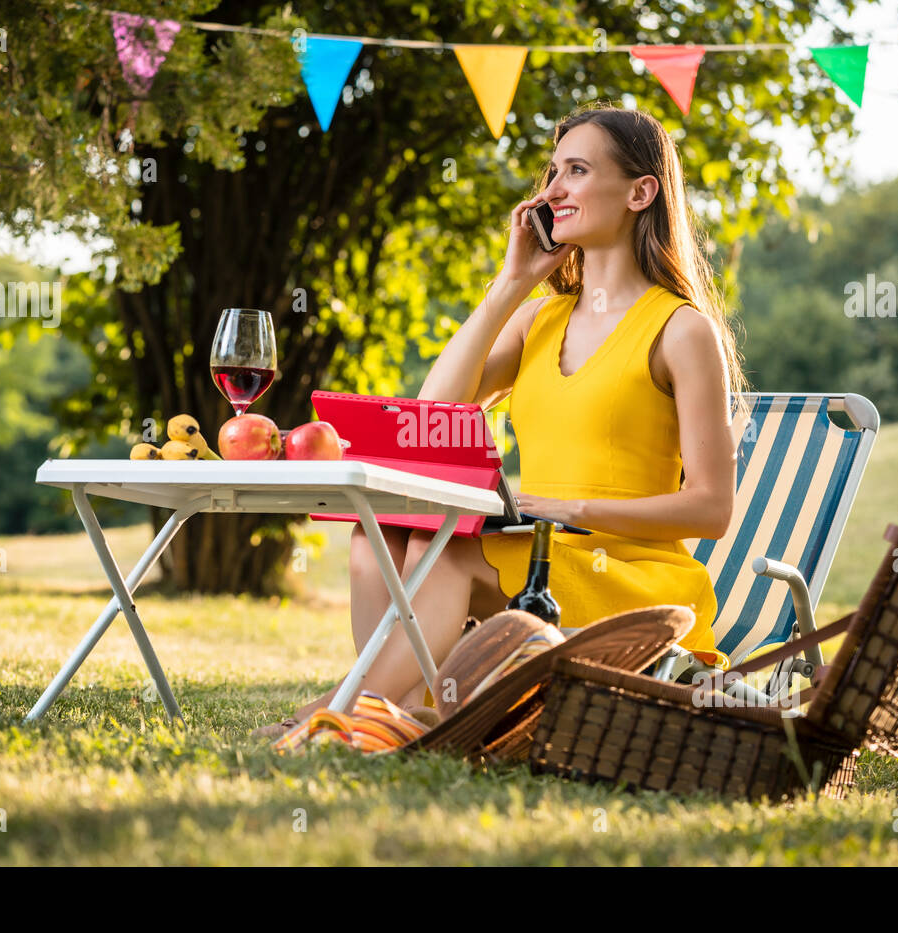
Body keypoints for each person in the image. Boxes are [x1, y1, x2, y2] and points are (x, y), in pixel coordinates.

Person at [252, 103, 746, 739]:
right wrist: (511, 283)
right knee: (378, 540)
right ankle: (415, 717)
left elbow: (710, 509)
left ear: (640, 192)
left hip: (630, 580)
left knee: (442, 553)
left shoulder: (682, 329)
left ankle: (338, 718)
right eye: (553, 173)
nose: (554, 190)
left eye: (576, 170)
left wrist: (564, 509)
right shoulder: (537, 319)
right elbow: (430, 418)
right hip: (538, 550)